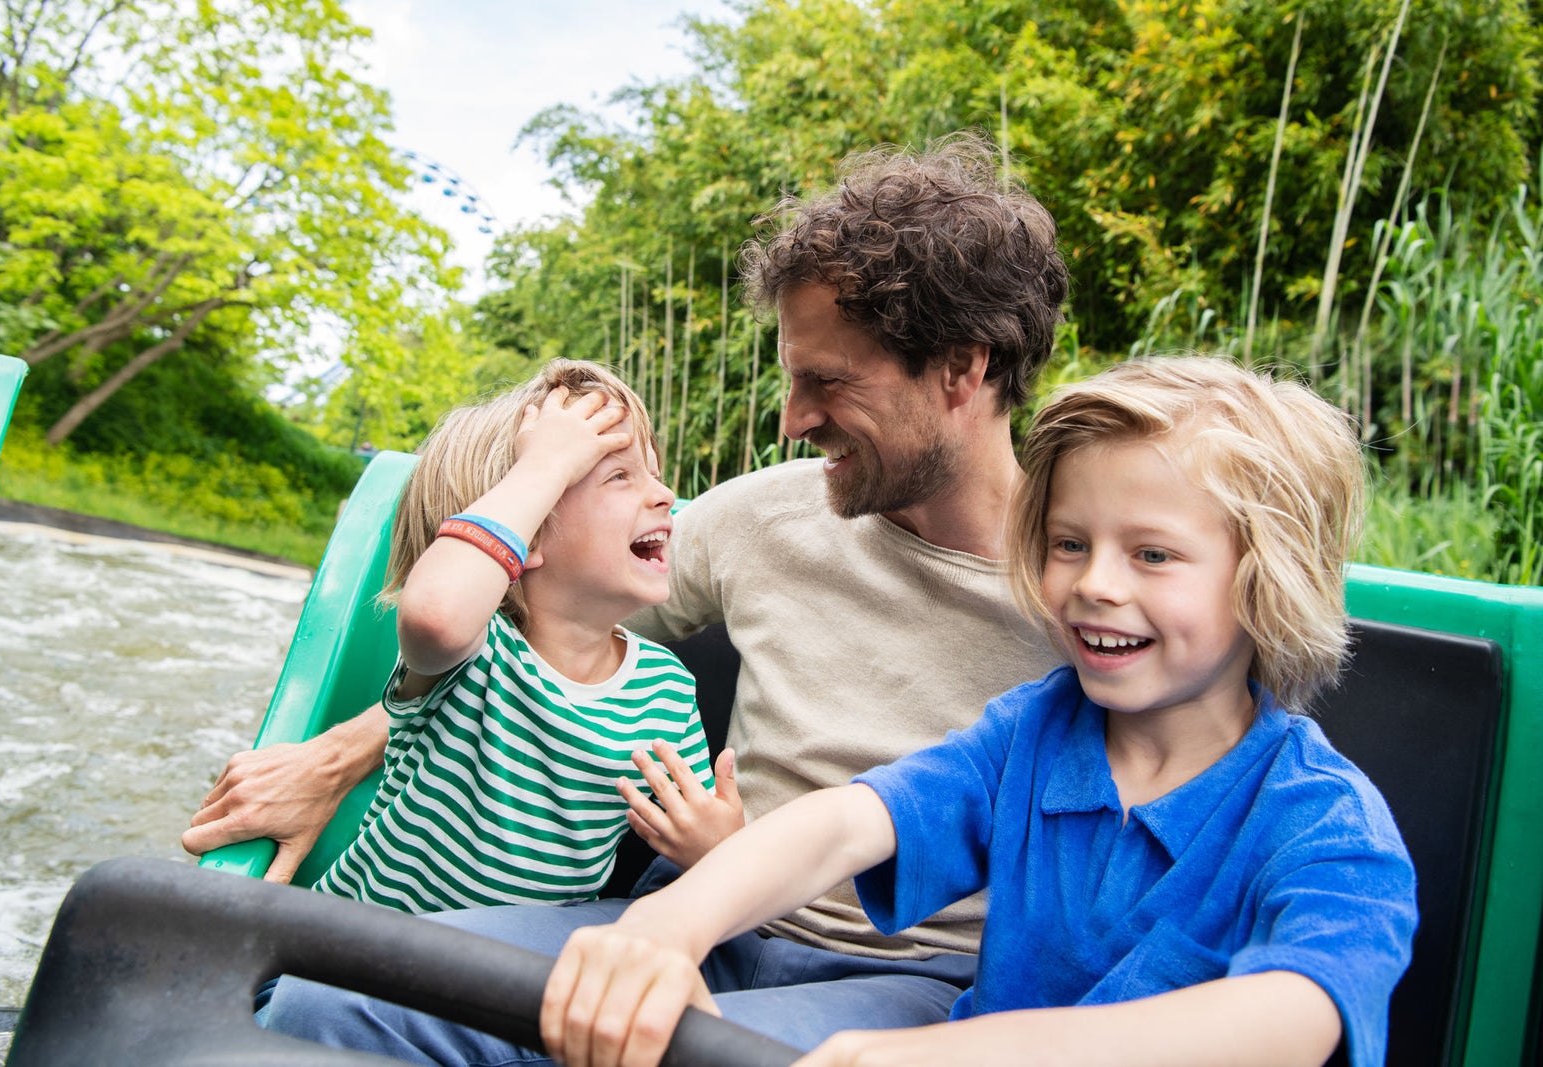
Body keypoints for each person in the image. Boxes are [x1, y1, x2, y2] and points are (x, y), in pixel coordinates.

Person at [196, 131, 1073, 1056]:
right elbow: (532, 639)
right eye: (791, 378)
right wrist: (337, 758)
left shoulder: (1092, 602)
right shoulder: (763, 515)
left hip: (900, 979)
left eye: (827, 382)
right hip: (685, 913)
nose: (792, 420)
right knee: (329, 1003)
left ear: (963, 367)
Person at [541, 356, 1418, 1067]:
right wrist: (666, 925)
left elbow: (1298, 1011)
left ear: (1268, 579)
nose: (1094, 583)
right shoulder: (1035, 733)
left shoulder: (1325, 824)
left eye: (1153, 554)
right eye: (1070, 543)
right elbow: (848, 823)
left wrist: (976, 1051)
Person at [310, 359, 737, 914]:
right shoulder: (476, 652)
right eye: (620, 477)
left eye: (654, 474)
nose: (664, 494)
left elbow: (697, 838)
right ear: (526, 533)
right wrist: (544, 466)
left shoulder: (666, 689)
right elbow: (435, 614)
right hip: (356, 945)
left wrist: (716, 846)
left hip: (518, 961)